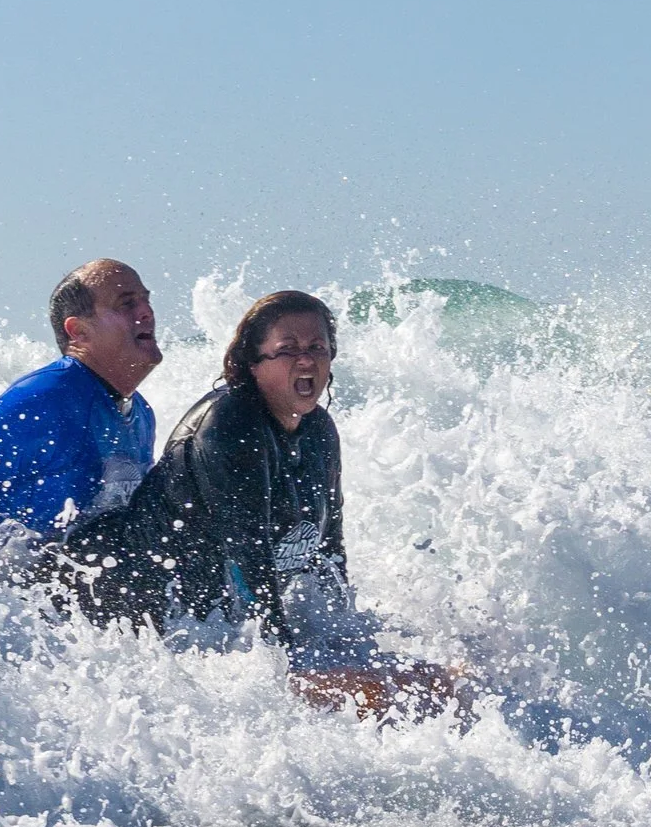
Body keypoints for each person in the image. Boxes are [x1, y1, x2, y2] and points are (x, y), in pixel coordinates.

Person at [62, 291, 456, 713]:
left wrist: (345, 633)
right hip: (119, 606)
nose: (306, 361)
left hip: (201, 622)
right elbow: (245, 556)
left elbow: (329, 551)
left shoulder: (319, 431)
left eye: (317, 348)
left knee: (440, 684)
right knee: (400, 697)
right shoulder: (229, 426)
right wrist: (283, 663)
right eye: (287, 350)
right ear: (252, 364)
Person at [0, 259, 163, 533]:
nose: (146, 312)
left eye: (145, 300)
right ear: (79, 332)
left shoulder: (141, 413)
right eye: (126, 304)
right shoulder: (41, 401)